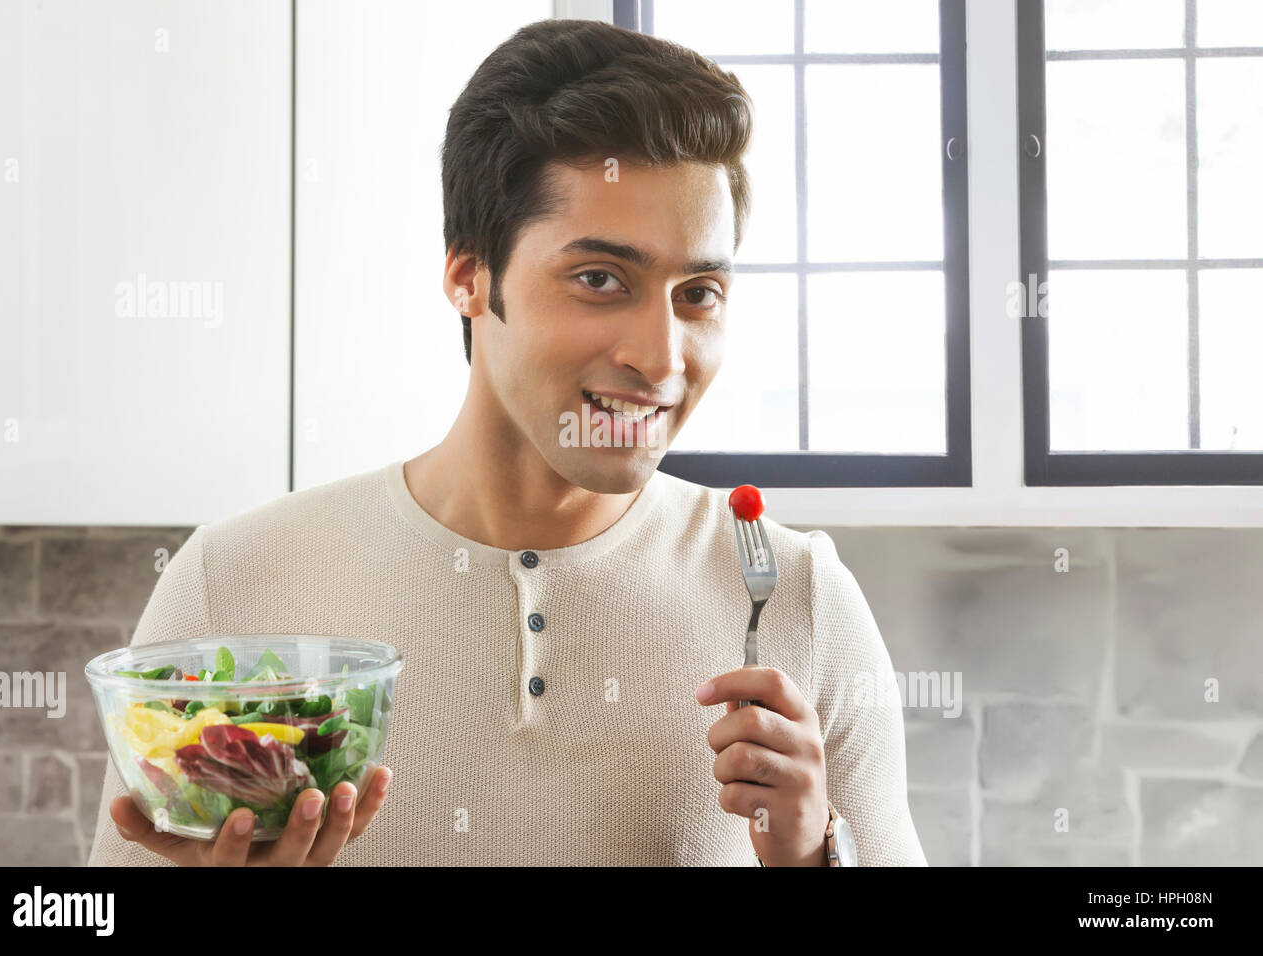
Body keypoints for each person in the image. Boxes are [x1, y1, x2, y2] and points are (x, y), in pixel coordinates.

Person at [88, 17, 926, 867]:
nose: (661, 356)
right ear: (468, 274)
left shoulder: (800, 600)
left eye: (699, 291)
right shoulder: (231, 584)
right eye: (601, 279)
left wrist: (817, 861)